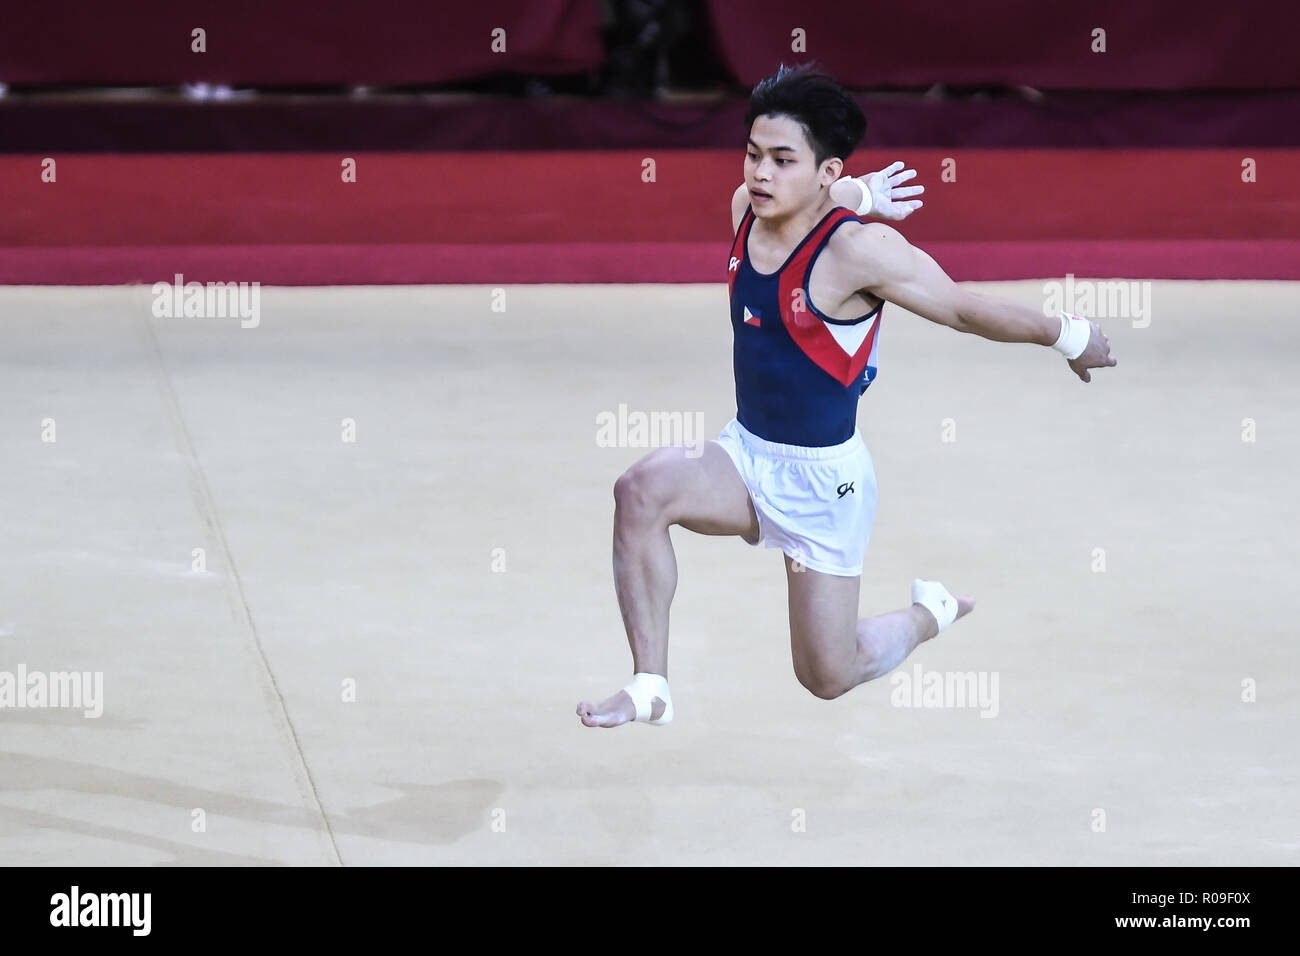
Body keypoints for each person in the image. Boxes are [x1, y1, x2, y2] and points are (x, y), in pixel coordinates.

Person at [577, 63, 1117, 728]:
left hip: (824, 486)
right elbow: (809, 196)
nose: (759, 175)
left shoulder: (860, 254)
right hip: (744, 458)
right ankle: (650, 685)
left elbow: (961, 309)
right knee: (639, 491)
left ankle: (929, 614)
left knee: (827, 675)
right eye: (752, 155)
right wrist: (856, 190)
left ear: (824, 171)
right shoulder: (745, 214)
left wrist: (1067, 334)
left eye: (782, 160)